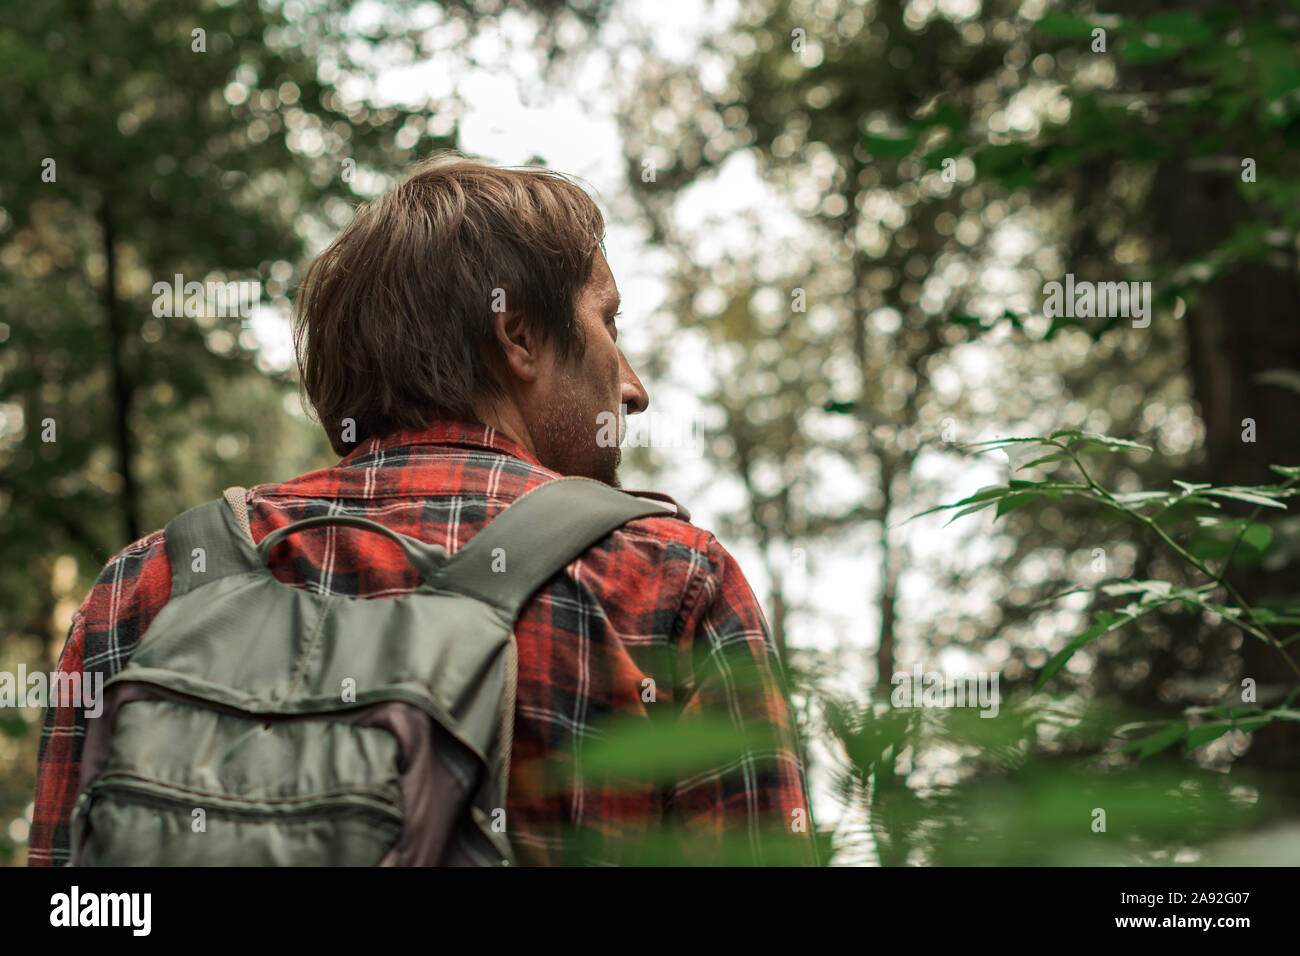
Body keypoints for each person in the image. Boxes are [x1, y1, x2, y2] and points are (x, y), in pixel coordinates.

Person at [30, 155, 819, 866]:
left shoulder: (146, 586)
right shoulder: (665, 581)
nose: (633, 389)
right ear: (518, 335)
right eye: (607, 323)